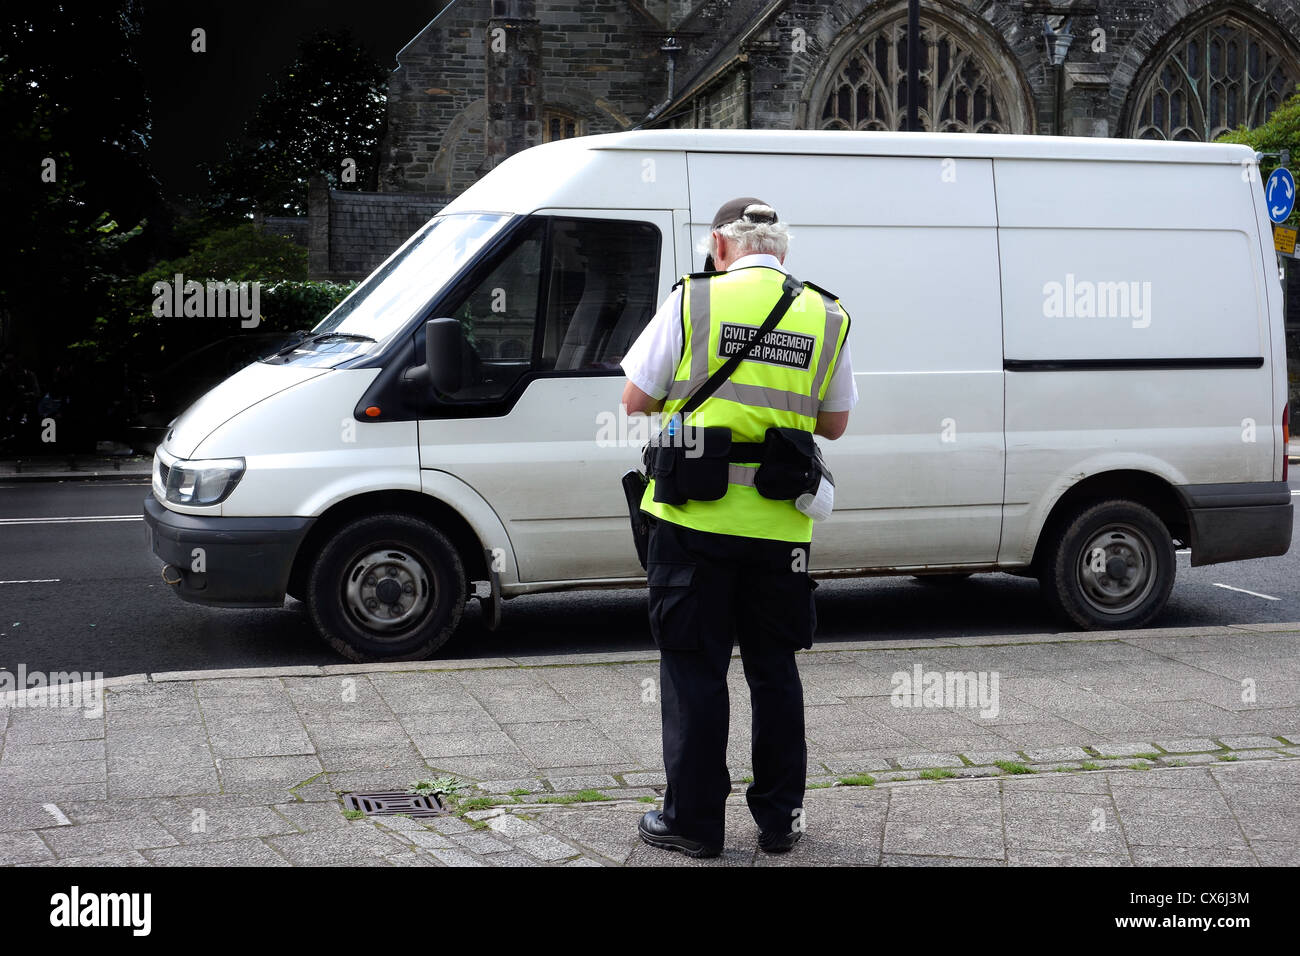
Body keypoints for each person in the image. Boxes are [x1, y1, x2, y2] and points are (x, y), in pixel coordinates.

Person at [620, 197, 857, 858]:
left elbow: (634, 398)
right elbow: (833, 422)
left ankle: (694, 823)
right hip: (781, 528)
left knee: (696, 670)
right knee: (774, 672)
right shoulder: (826, 313)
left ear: (719, 247)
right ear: (781, 251)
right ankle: (780, 820)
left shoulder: (695, 300)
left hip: (692, 522)